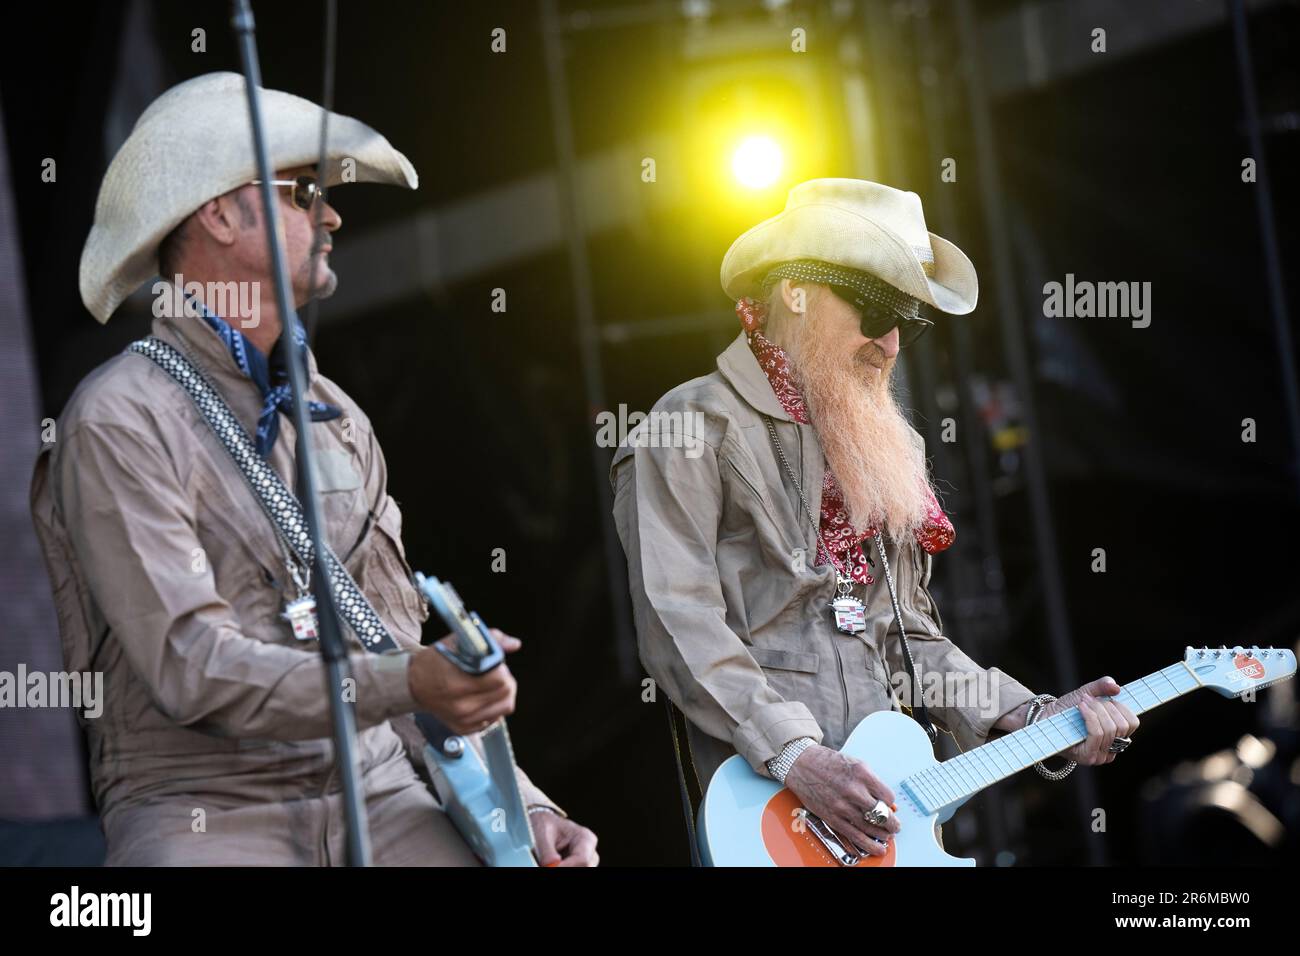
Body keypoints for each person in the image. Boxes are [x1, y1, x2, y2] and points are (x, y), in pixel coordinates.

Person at [30, 72, 597, 866]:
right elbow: (192, 668)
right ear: (219, 213)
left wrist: (525, 809)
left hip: (377, 791)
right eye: (301, 192)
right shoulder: (118, 416)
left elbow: (394, 645)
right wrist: (411, 681)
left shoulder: (338, 418)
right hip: (208, 809)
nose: (330, 213)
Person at [611, 178, 1138, 858]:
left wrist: (1029, 712)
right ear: (794, 293)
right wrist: (797, 755)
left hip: (887, 820)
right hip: (771, 818)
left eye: (909, 322)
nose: (890, 344)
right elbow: (675, 617)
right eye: (874, 310)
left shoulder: (887, 442)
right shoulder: (689, 424)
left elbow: (907, 636)